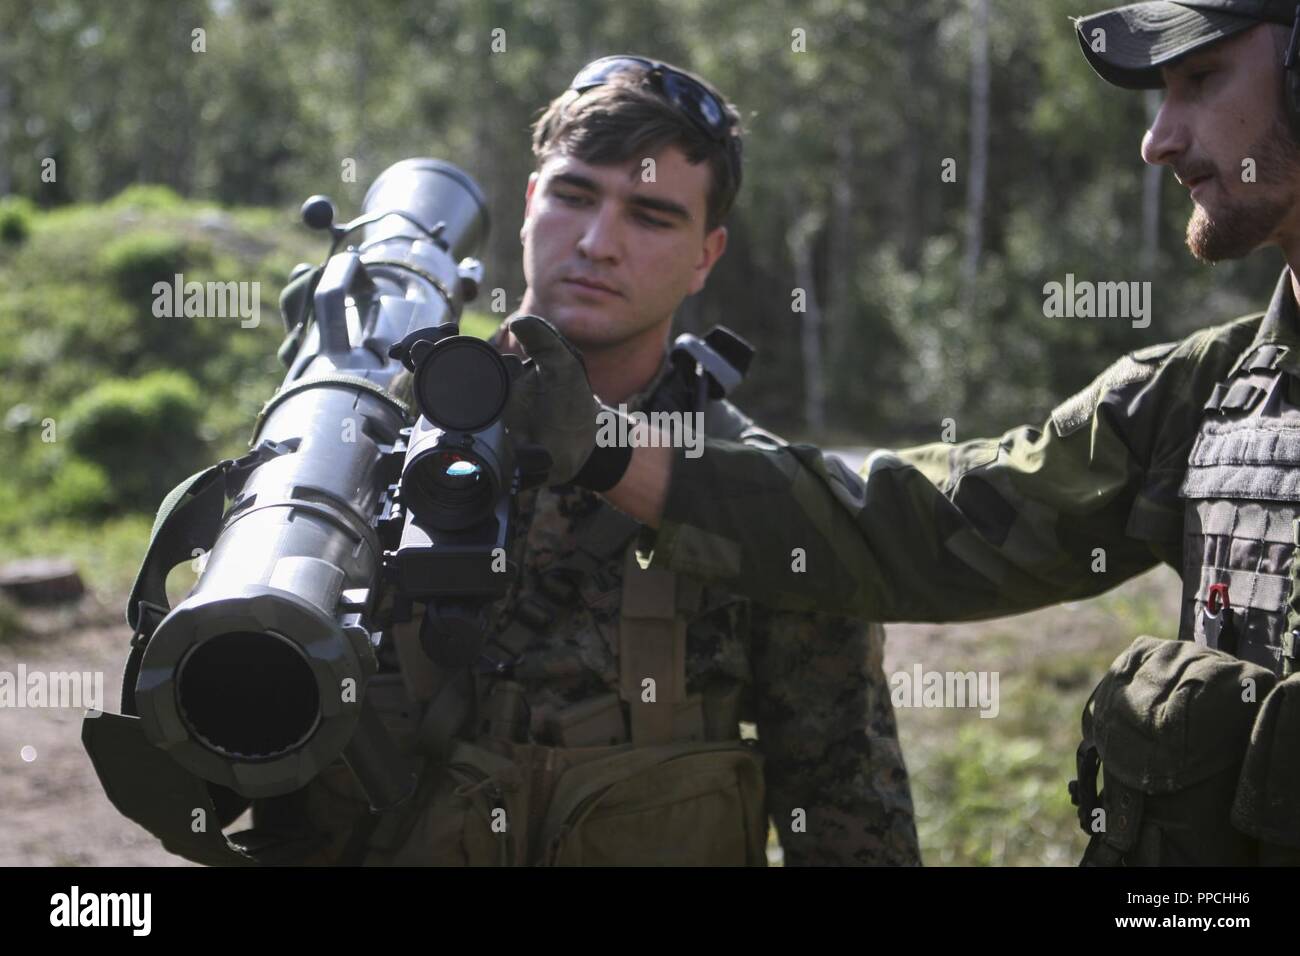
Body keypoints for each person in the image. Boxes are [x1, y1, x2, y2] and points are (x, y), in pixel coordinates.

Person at [503, 4, 1300, 865]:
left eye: (1202, 79)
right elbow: (918, 525)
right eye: (575, 195)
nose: (1157, 139)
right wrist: (610, 449)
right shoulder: (1200, 399)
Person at [301, 55, 919, 866]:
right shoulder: (370, 433)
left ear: (707, 254)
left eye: (652, 217)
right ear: (529, 205)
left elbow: (847, 806)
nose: (597, 243)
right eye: (573, 195)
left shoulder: (757, 496)